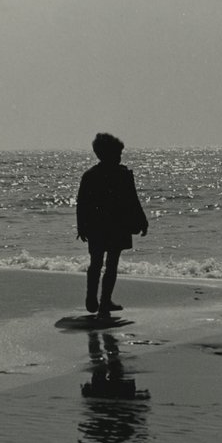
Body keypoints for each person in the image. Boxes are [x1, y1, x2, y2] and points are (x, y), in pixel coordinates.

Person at [76, 133, 148, 317]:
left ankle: (94, 298)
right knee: (110, 263)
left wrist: (81, 226)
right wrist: (142, 220)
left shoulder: (91, 175)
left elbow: (82, 203)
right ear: (107, 153)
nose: (120, 157)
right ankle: (103, 301)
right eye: (117, 153)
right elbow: (133, 200)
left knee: (97, 262)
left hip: (98, 226)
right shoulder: (121, 174)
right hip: (116, 225)